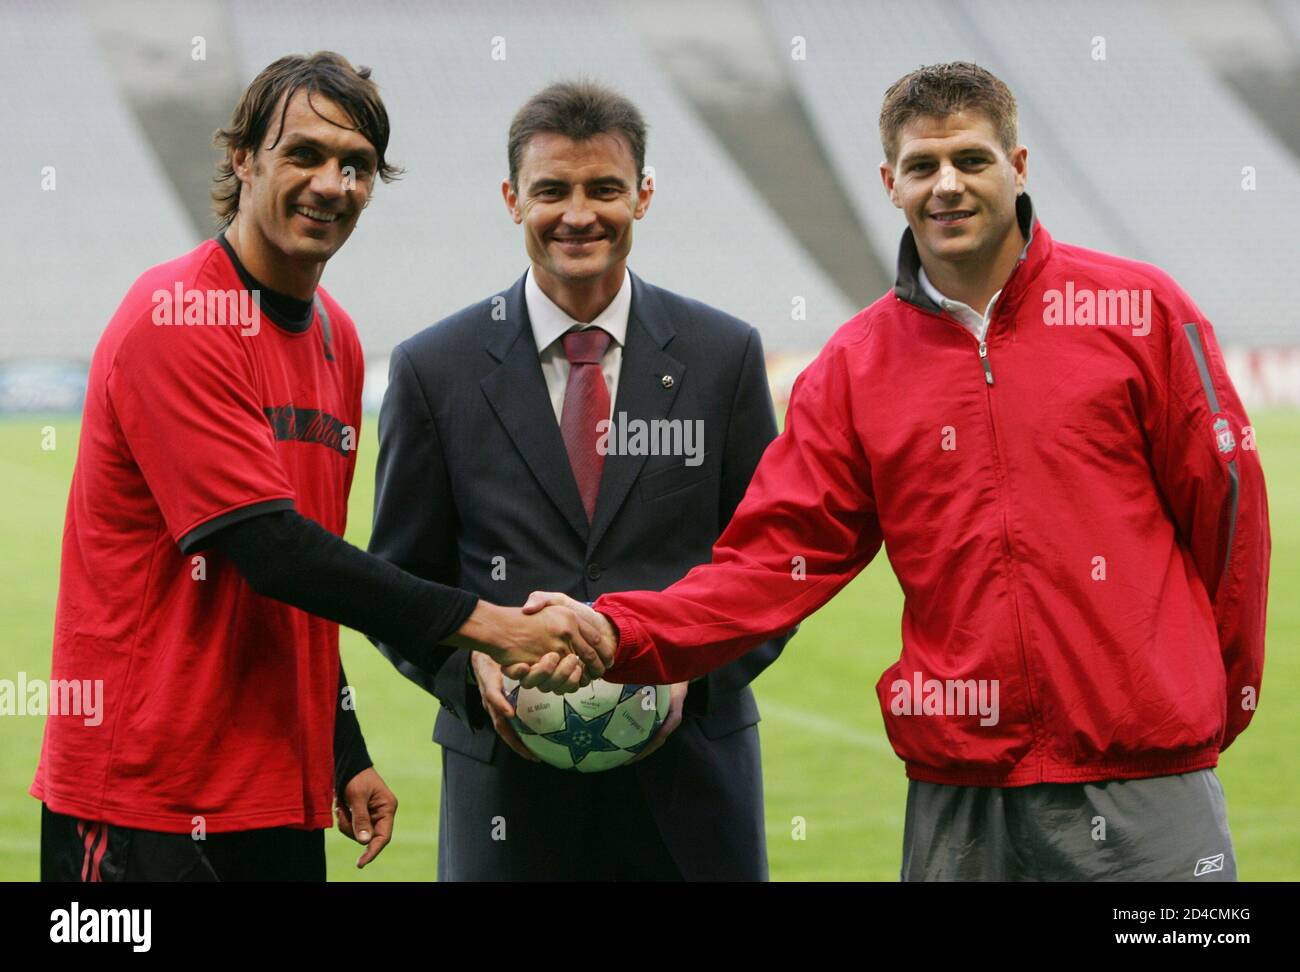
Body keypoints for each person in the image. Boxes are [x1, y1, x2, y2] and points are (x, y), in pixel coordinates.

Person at [536, 62, 1270, 881]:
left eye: (971, 160)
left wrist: (1202, 699)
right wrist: (622, 630)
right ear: (890, 182)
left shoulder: (1139, 310)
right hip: (960, 794)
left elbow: (1231, 519)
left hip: (1144, 785)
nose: (946, 186)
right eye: (923, 166)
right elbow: (772, 562)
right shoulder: (856, 365)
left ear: (1018, 167)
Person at [33, 52, 599, 884]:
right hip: (141, 800)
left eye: (357, 166)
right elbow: (271, 550)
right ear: (243, 159)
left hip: (276, 798)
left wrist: (342, 751)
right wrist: (495, 624)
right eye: (303, 154)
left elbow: (308, 587)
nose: (332, 184)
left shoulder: (334, 338)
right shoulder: (179, 316)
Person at [368, 80, 791, 881]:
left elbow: (772, 563)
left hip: (693, 786)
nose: (578, 214)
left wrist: (688, 671)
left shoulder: (723, 355)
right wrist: (471, 667)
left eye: (605, 188)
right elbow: (396, 579)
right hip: (508, 794)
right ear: (510, 198)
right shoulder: (434, 368)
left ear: (644, 194)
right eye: (551, 190)